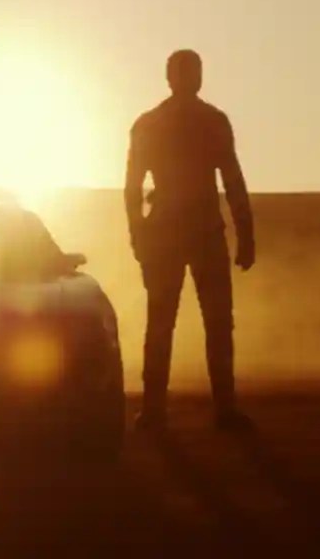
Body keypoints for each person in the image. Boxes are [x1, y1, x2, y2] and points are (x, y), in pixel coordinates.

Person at [124, 49, 255, 431]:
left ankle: (178, 409)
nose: (190, 78)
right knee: (180, 322)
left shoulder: (161, 123)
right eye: (186, 71)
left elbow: (231, 178)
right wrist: (138, 234)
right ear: (173, 77)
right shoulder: (202, 121)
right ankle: (167, 409)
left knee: (192, 322)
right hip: (186, 233)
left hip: (187, 233)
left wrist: (138, 234)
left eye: (193, 71)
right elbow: (133, 187)